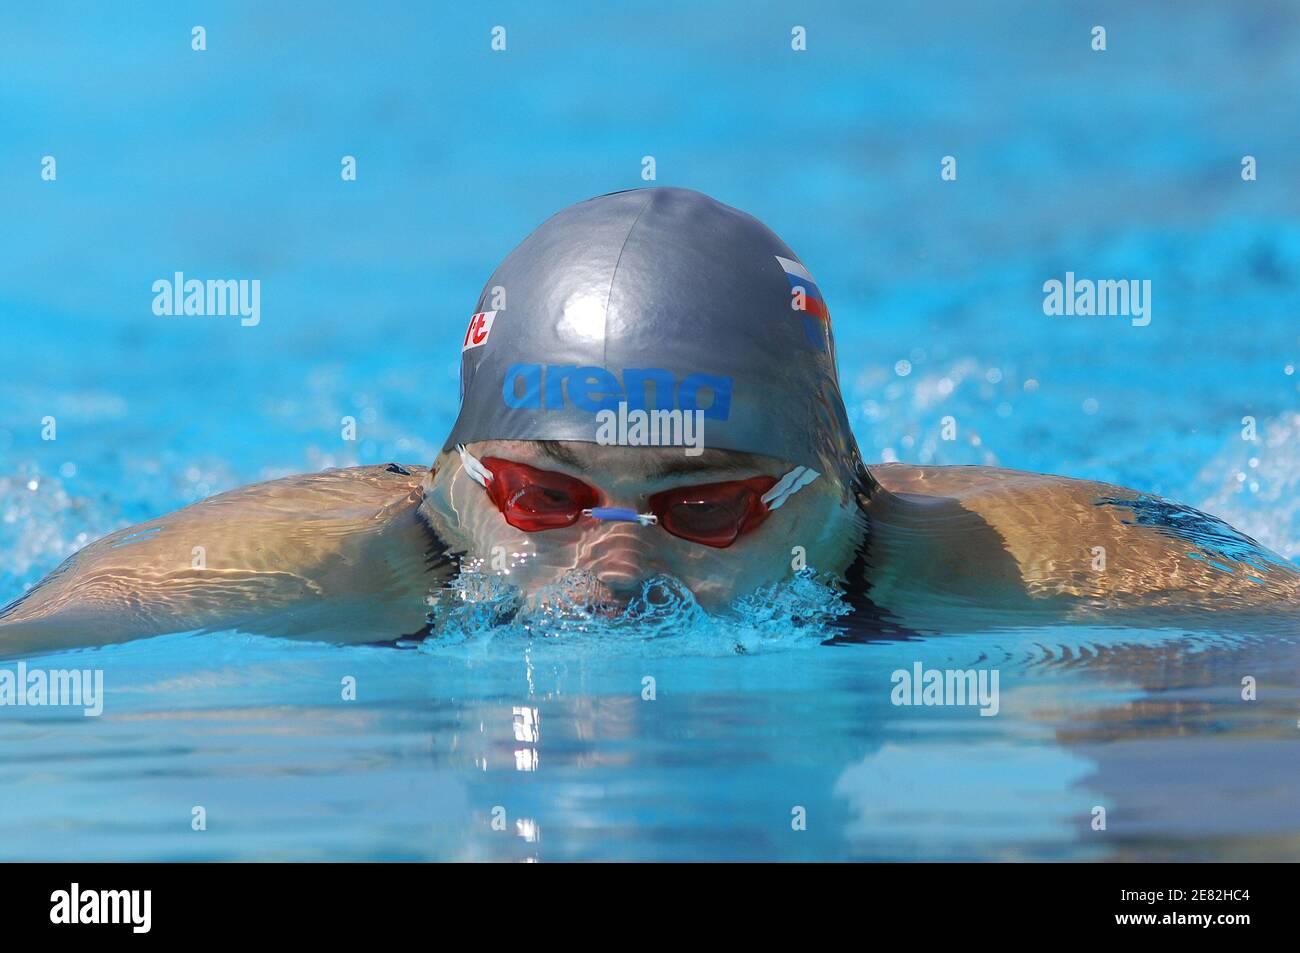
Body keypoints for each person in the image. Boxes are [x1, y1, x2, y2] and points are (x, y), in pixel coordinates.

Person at [2, 188, 1295, 656]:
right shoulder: (332, 561)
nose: (617, 572)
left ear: (837, 497)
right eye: (545, 499)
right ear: (455, 482)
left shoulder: (982, 560)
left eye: (706, 505)